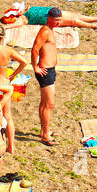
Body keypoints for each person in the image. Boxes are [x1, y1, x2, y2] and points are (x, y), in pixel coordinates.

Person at [31, 9, 62, 145]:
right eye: (56, 20)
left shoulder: (51, 29)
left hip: (50, 70)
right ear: (49, 18)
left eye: (60, 20)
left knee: (45, 103)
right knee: (49, 104)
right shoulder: (45, 31)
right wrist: (35, 67)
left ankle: (45, 130)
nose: (58, 23)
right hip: (44, 71)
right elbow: (34, 49)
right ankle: (45, 135)